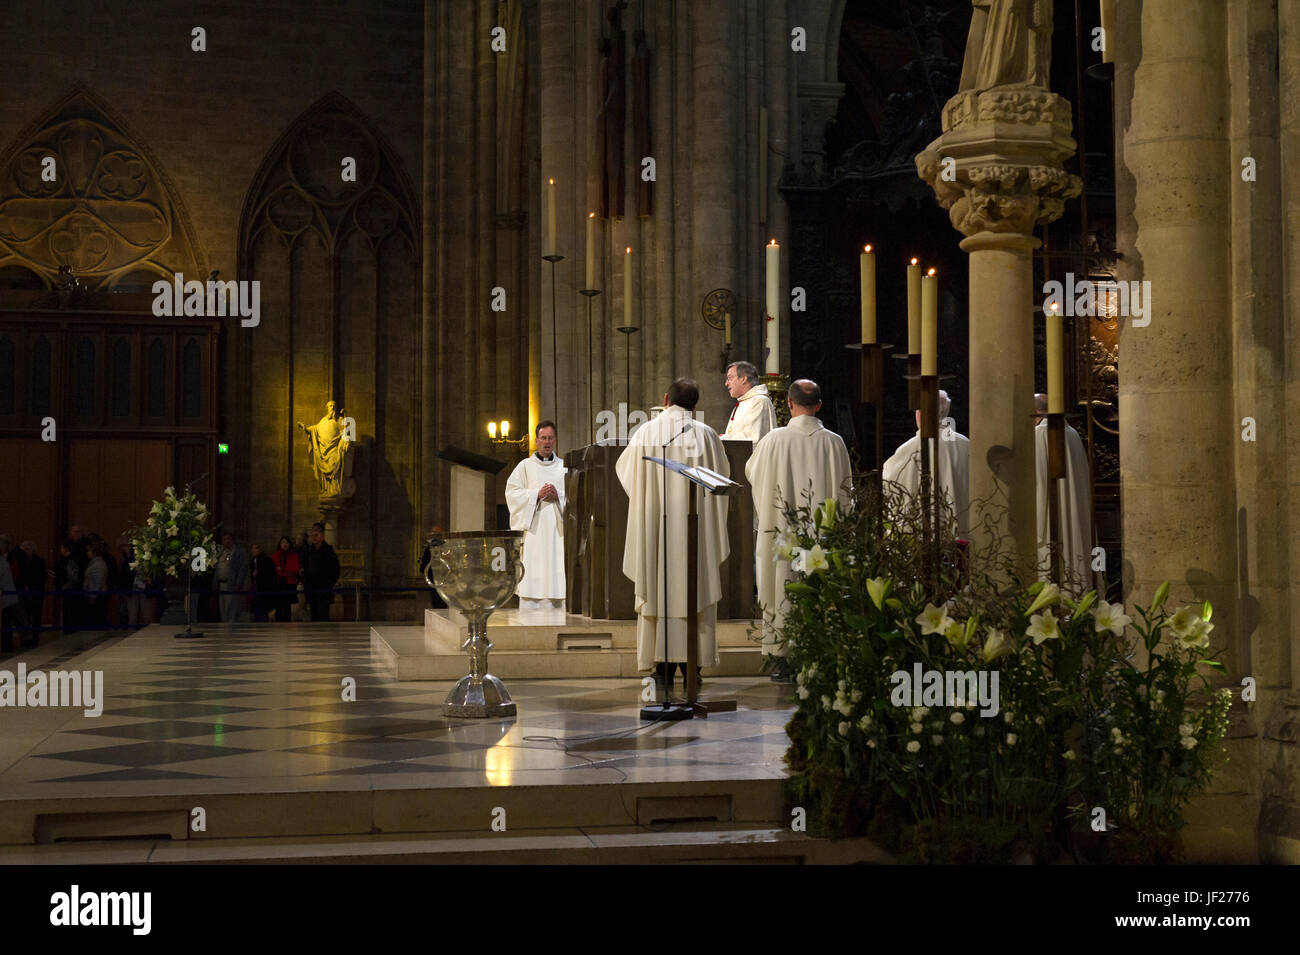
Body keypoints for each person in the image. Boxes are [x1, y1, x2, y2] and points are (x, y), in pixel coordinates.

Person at [616, 377, 730, 690]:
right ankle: (693, 665)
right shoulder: (706, 435)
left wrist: (648, 498)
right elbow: (722, 478)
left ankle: (662, 669)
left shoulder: (647, 432)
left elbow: (626, 473)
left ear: (666, 399)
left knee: (659, 589)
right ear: (695, 405)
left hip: (657, 528)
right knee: (694, 588)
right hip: (695, 530)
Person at [746, 379, 852, 681]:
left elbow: (752, 474)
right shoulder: (834, 442)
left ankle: (781, 658)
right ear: (819, 405)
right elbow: (846, 493)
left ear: (789, 404)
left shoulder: (772, 440)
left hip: (780, 531)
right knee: (816, 589)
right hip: (821, 534)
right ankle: (816, 653)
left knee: (781, 585)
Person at [882, 389, 971, 539]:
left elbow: (890, 484)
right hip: (961, 534)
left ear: (920, 414)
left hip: (920, 537)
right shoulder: (966, 445)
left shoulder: (908, 449)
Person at [505, 420, 567, 620]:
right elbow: (512, 494)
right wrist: (536, 494)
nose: (547, 442)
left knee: (556, 572)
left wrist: (559, 495)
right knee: (533, 571)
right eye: (543, 438)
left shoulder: (564, 467)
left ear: (555, 440)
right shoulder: (524, 467)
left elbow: (575, 496)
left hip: (558, 532)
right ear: (536, 440)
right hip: (534, 531)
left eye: (550, 438)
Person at [1034, 393, 1094, 592]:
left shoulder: (1041, 434)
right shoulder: (1073, 433)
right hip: (1074, 510)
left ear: (1036, 412)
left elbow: (1038, 483)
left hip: (1051, 512)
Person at [722, 360, 777, 443]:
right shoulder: (744, 401)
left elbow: (752, 438)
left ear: (743, 379)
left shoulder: (759, 401)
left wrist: (723, 438)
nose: (726, 383)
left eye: (730, 378)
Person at [0, 535, 32, 651]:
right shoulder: (4, 559)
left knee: (13, 618)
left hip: (11, 592)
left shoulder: (13, 556)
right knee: (10, 619)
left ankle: (11, 643)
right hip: (9, 592)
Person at [304, 522, 340, 622]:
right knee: (314, 615)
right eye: (312, 535)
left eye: (317, 535)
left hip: (324, 589)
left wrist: (329, 583)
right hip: (311, 588)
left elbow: (335, 569)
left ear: (322, 536)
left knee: (323, 615)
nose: (314, 537)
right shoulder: (308, 551)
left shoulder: (328, 551)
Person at [213, 531, 250, 623]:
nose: (227, 541)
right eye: (225, 539)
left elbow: (242, 569)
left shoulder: (239, 552)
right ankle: (224, 628)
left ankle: (231, 628)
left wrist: (238, 584)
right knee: (223, 610)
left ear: (233, 540)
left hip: (232, 584)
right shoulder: (220, 552)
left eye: (229, 539)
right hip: (221, 584)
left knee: (231, 609)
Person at [19, 541, 46, 640]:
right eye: (24, 549)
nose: (26, 551)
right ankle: (25, 636)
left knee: (36, 613)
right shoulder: (21, 561)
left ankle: (35, 635)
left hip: (36, 590)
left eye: (28, 548)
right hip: (24, 590)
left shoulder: (39, 561)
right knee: (24, 614)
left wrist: (32, 586)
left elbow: (42, 577)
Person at [418, 527, 449, 610]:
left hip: (442, 578)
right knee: (438, 603)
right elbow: (424, 563)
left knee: (441, 602)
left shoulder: (445, 548)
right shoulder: (429, 547)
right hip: (435, 578)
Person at [271, 536, 300, 622]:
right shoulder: (276, 555)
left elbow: (295, 568)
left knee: (287, 606)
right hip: (278, 582)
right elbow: (273, 568)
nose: (285, 544)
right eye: (283, 542)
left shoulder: (294, 555)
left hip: (289, 583)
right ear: (280, 544)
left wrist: (283, 569)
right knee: (278, 606)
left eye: (286, 542)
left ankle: (287, 626)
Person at [55, 541, 81, 634]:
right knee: (67, 612)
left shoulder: (70, 561)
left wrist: (64, 587)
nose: (60, 550)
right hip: (67, 589)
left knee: (70, 612)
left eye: (62, 548)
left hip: (69, 590)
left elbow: (73, 577)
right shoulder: (64, 560)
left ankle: (70, 631)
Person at [83, 540, 109, 630]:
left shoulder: (98, 565)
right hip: (95, 594)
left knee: (96, 618)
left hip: (96, 595)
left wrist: (93, 596)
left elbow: (98, 581)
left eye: (89, 551)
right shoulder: (95, 563)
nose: (87, 553)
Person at [250, 542, 278, 622]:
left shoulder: (266, 559)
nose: (253, 550)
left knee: (263, 609)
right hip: (256, 588)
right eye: (252, 548)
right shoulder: (253, 560)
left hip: (264, 588)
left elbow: (270, 574)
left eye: (256, 548)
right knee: (257, 609)